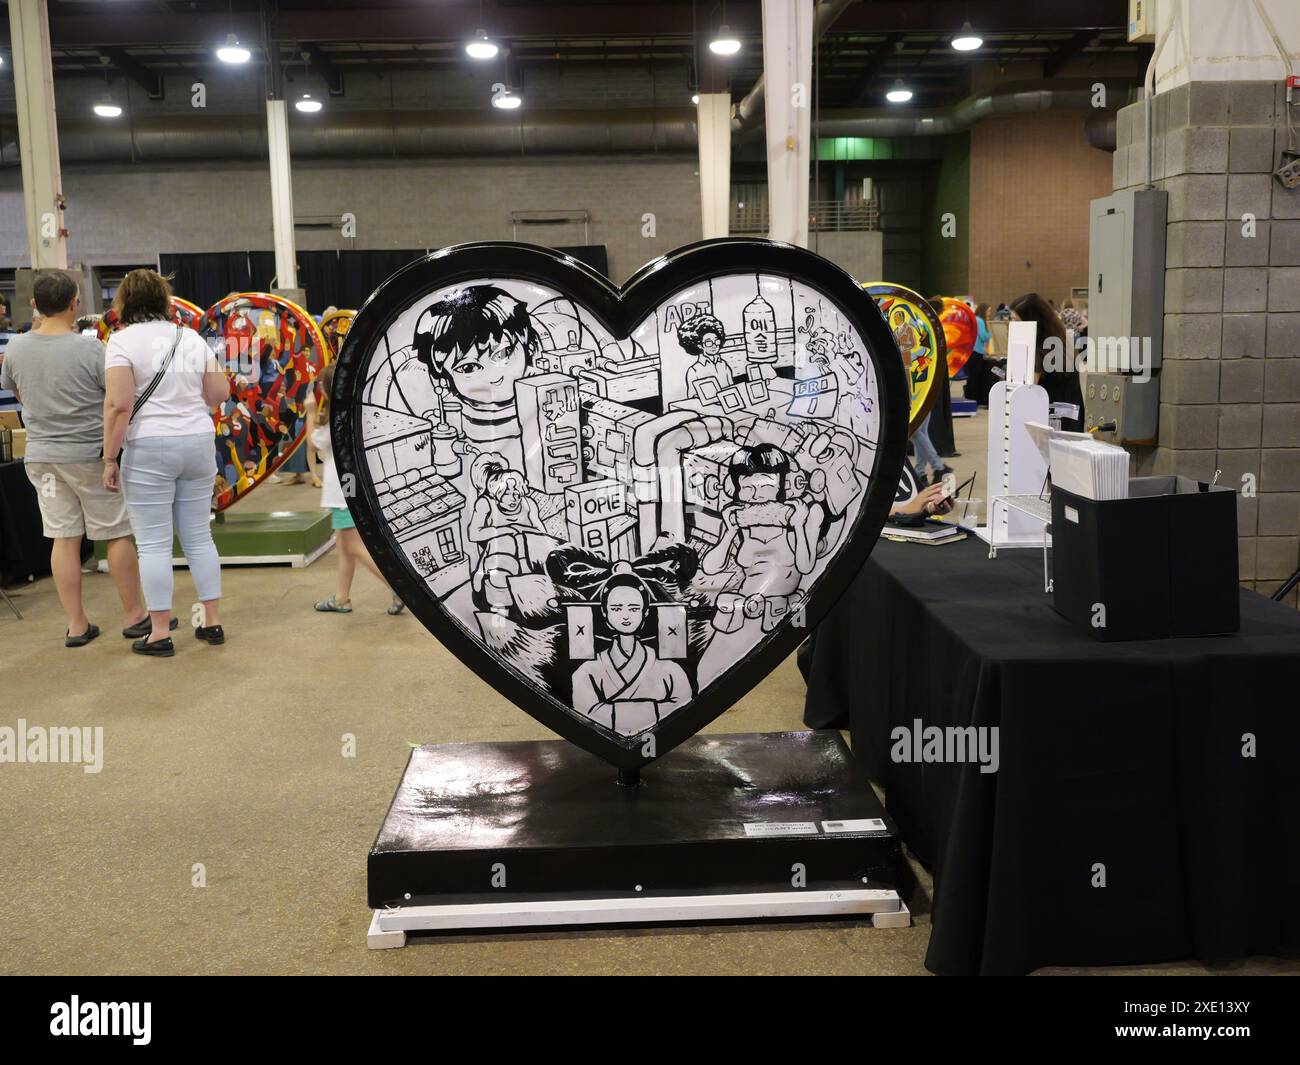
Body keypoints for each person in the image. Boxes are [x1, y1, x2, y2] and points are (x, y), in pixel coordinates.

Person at [0, 271, 148, 646]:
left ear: (34, 305)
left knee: (63, 538)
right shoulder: (92, 349)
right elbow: (113, 396)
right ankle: (136, 615)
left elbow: (16, 390)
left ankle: (76, 624)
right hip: (87, 454)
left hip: (41, 456)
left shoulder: (16, 347)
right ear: (74, 304)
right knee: (115, 533)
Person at [103, 269, 230, 657]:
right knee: (198, 536)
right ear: (164, 299)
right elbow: (219, 392)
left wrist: (109, 457)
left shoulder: (120, 342)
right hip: (197, 442)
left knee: (154, 544)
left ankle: (159, 632)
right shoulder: (189, 337)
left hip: (149, 448)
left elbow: (120, 405)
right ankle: (211, 623)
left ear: (124, 302)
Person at [310, 363, 405, 616]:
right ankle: (342, 598)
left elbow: (314, 444)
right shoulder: (350, 414)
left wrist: (310, 414)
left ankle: (398, 587)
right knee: (344, 546)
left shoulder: (334, 421)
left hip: (342, 493)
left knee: (353, 546)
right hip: (350, 487)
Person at [1010, 292, 1084, 431]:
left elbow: (1027, 389)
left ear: (1031, 321)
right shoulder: (1058, 337)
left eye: (1016, 321)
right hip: (1068, 415)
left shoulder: (1043, 347)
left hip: (1056, 420)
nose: (1012, 325)